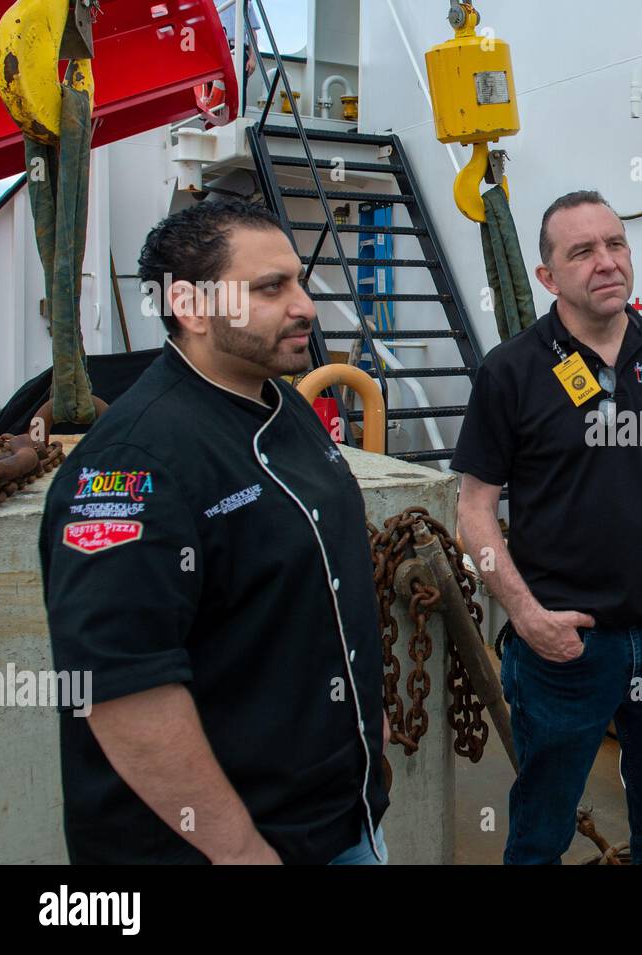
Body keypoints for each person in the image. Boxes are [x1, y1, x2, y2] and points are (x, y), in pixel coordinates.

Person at [39, 197, 389, 864]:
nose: (306, 306)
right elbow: (124, 692)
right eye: (270, 287)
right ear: (192, 306)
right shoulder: (132, 466)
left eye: (299, 281)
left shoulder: (280, 402)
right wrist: (242, 854)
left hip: (338, 820)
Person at [452, 190, 642, 864]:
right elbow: (473, 509)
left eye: (616, 244)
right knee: (542, 828)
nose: (607, 262)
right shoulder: (512, 371)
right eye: (582, 251)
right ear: (548, 277)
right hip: (564, 648)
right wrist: (525, 614)